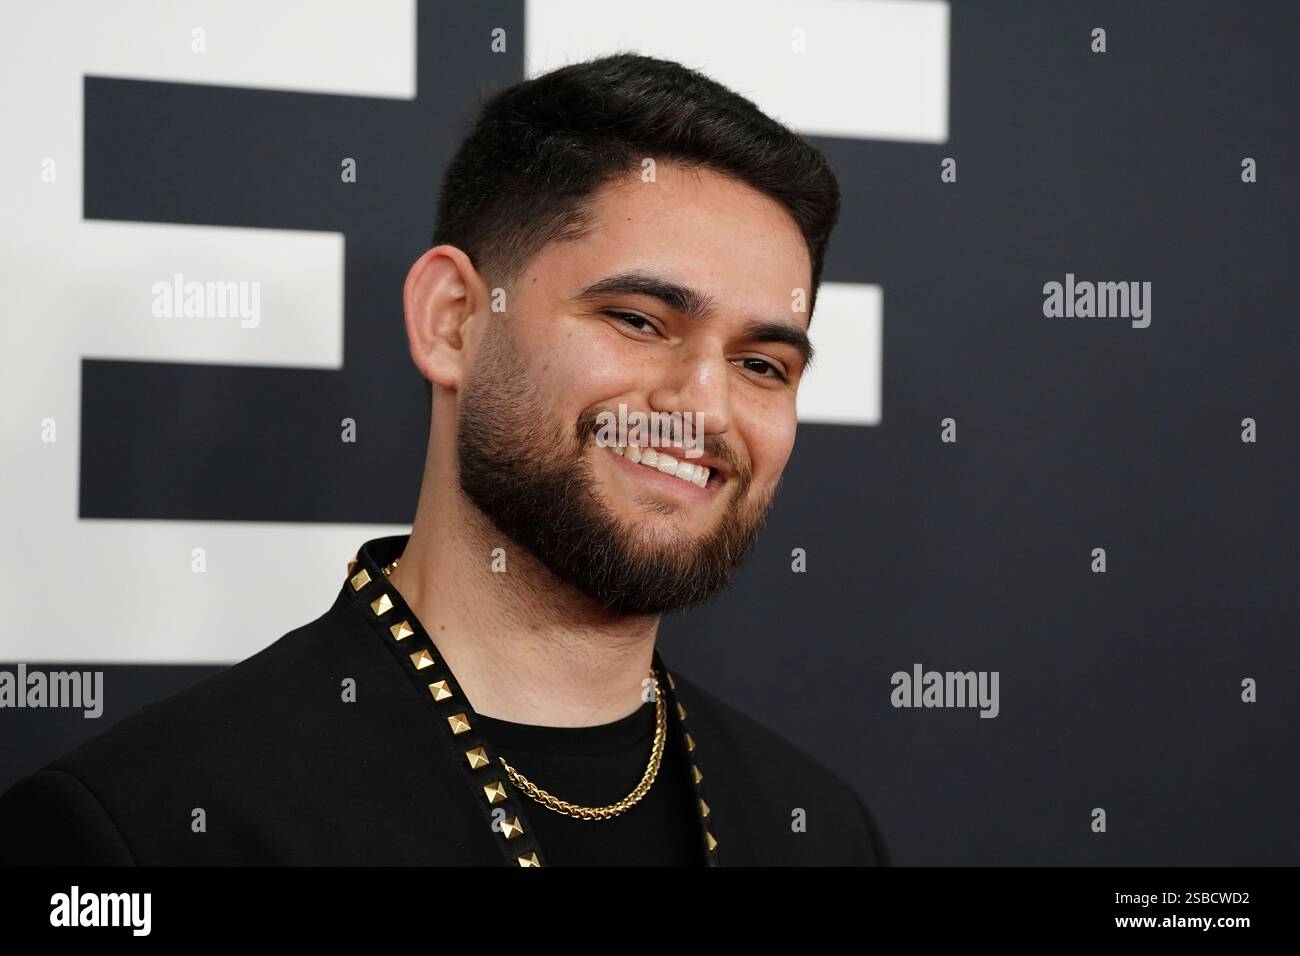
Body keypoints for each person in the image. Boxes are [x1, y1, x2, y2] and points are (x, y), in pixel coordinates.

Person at [0, 52, 888, 866]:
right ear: (453, 319)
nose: (703, 404)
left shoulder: (820, 832)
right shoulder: (142, 830)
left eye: (761, 365)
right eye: (638, 320)